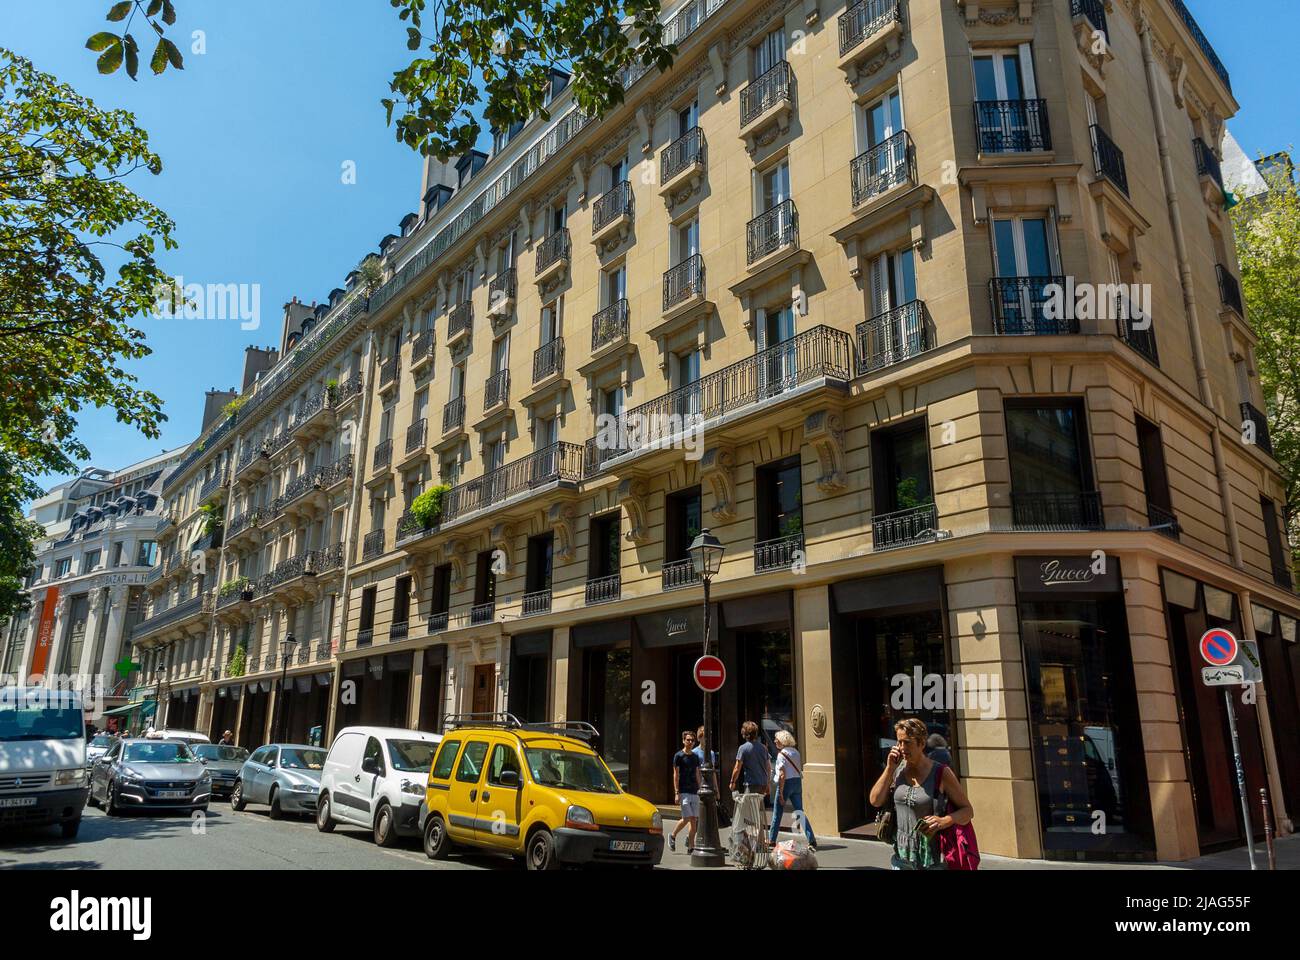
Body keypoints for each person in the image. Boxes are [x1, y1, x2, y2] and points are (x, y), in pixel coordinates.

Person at [869, 717, 974, 870]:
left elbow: (968, 811)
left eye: (907, 742)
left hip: (933, 860)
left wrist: (944, 820)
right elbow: (875, 801)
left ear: (922, 744)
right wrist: (890, 768)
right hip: (901, 858)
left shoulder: (941, 772)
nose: (901, 747)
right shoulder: (897, 769)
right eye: (899, 742)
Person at [768, 730, 816, 850]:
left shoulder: (781, 754)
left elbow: (782, 775)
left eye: (776, 739)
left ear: (782, 741)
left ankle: (772, 840)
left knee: (777, 814)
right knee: (800, 812)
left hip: (786, 783)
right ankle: (811, 839)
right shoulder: (796, 752)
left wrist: (781, 794)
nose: (774, 741)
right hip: (797, 782)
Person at [669, 731, 702, 853]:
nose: (690, 742)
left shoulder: (695, 757)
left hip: (694, 791)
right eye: (688, 740)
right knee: (687, 818)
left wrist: (700, 788)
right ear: (683, 741)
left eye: (692, 740)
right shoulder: (678, 756)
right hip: (683, 791)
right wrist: (676, 792)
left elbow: (697, 773)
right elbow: (675, 774)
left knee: (694, 821)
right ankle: (672, 835)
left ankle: (691, 847)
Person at [729, 720, 770, 796]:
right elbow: (768, 767)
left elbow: (737, 768)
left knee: (750, 807)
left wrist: (732, 782)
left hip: (751, 785)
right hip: (763, 784)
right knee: (759, 807)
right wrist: (767, 783)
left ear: (744, 733)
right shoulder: (764, 748)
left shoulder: (743, 748)